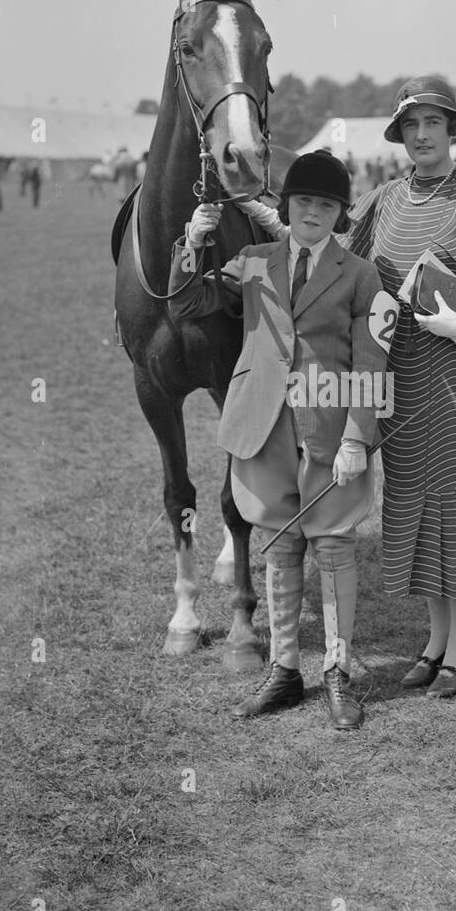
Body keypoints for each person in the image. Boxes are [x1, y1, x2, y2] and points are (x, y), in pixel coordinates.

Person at [167, 150, 392, 731]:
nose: (312, 212)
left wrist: (357, 439)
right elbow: (189, 302)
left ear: (340, 213)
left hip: (331, 431)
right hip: (262, 427)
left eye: (325, 204)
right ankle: (285, 669)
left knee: (336, 548)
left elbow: (371, 364)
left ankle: (337, 672)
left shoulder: (362, 275)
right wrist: (190, 246)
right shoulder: (254, 262)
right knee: (279, 544)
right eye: (303, 201)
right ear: (285, 205)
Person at [345, 76, 456, 699]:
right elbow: (341, 266)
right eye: (411, 125)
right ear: (400, 135)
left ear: (453, 130)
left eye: (433, 123)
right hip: (402, 379)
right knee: (415, 506)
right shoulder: (379, 203)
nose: (422, 135)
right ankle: (433, 640)